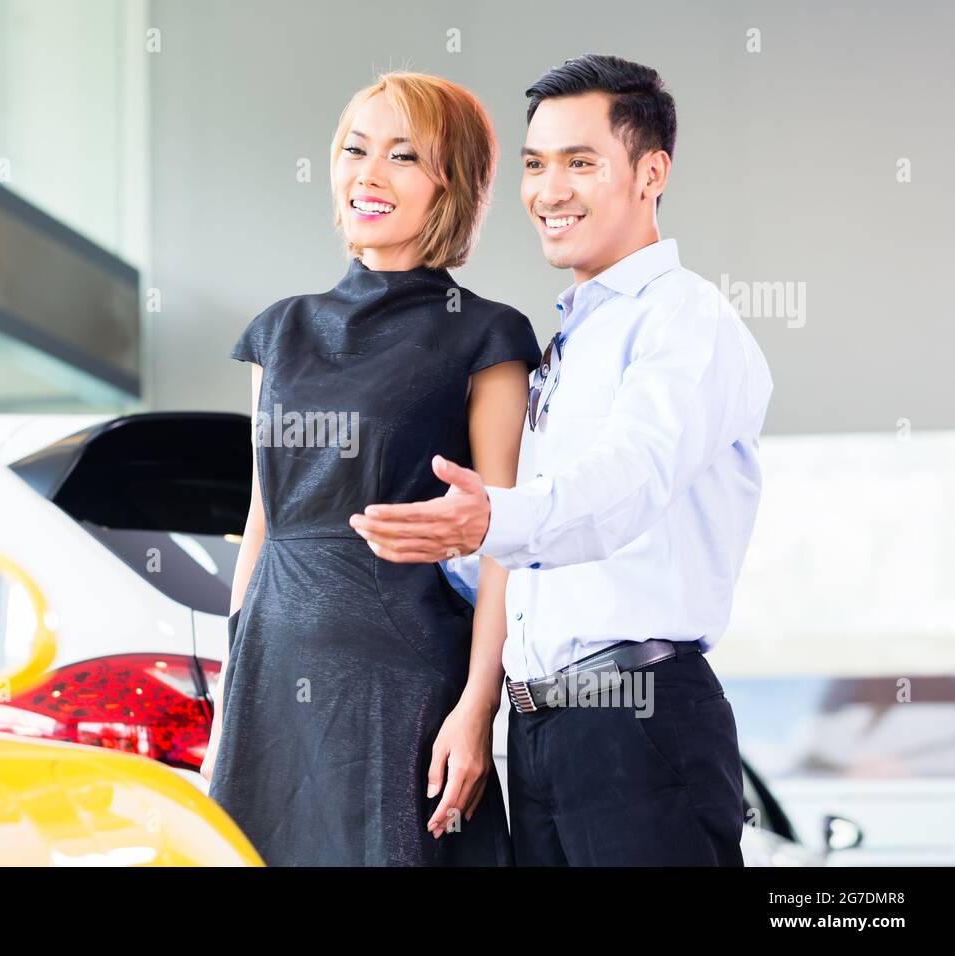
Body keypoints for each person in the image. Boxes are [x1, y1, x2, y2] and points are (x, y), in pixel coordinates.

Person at [349, 54, 774, 866]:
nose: (549, 190)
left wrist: (490, 518)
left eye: (581, 163)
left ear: (651, 172)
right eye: (537, 164)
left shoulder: (682, 319)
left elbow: (627, 481)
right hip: (540, 732)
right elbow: (516, 561)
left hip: (637, 724)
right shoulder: (570, 341)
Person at [201, 71, 540, 866]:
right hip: (272, 668)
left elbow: (504, 545)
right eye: (354, 149)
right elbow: (262, 521)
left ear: (450, 182)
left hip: (402, 672)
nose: (368, 174)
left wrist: (476, 709)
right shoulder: (278, 331)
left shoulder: (488, 337)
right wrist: (229, 688)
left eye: (402, 156)